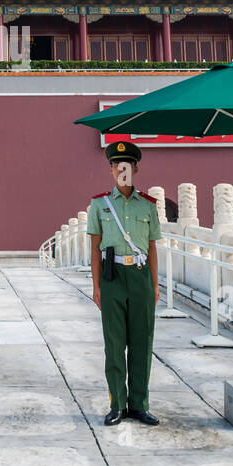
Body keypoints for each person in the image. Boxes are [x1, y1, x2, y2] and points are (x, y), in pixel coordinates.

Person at [86, 140, 161, 427]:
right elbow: (94, 248)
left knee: (142, 343)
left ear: (136, 168)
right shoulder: (99, 205)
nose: (123, 169)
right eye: (118, 165)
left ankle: (139, 405)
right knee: (115, 345)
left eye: (128, 165)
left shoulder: (149, 206)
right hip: (112, 278)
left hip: (141, 277)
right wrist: (96, 287)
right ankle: (117, 404)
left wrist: (154, 285)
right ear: (111, 170)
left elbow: (153, 247)